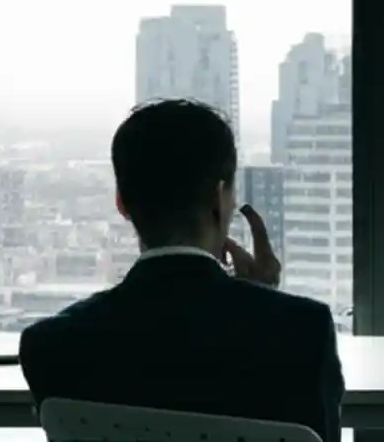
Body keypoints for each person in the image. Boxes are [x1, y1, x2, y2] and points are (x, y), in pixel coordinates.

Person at [19, 99, 344, 442]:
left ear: (122, 203)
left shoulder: (51, 346)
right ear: (220, 198)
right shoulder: (303, 332)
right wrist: (264, 301)